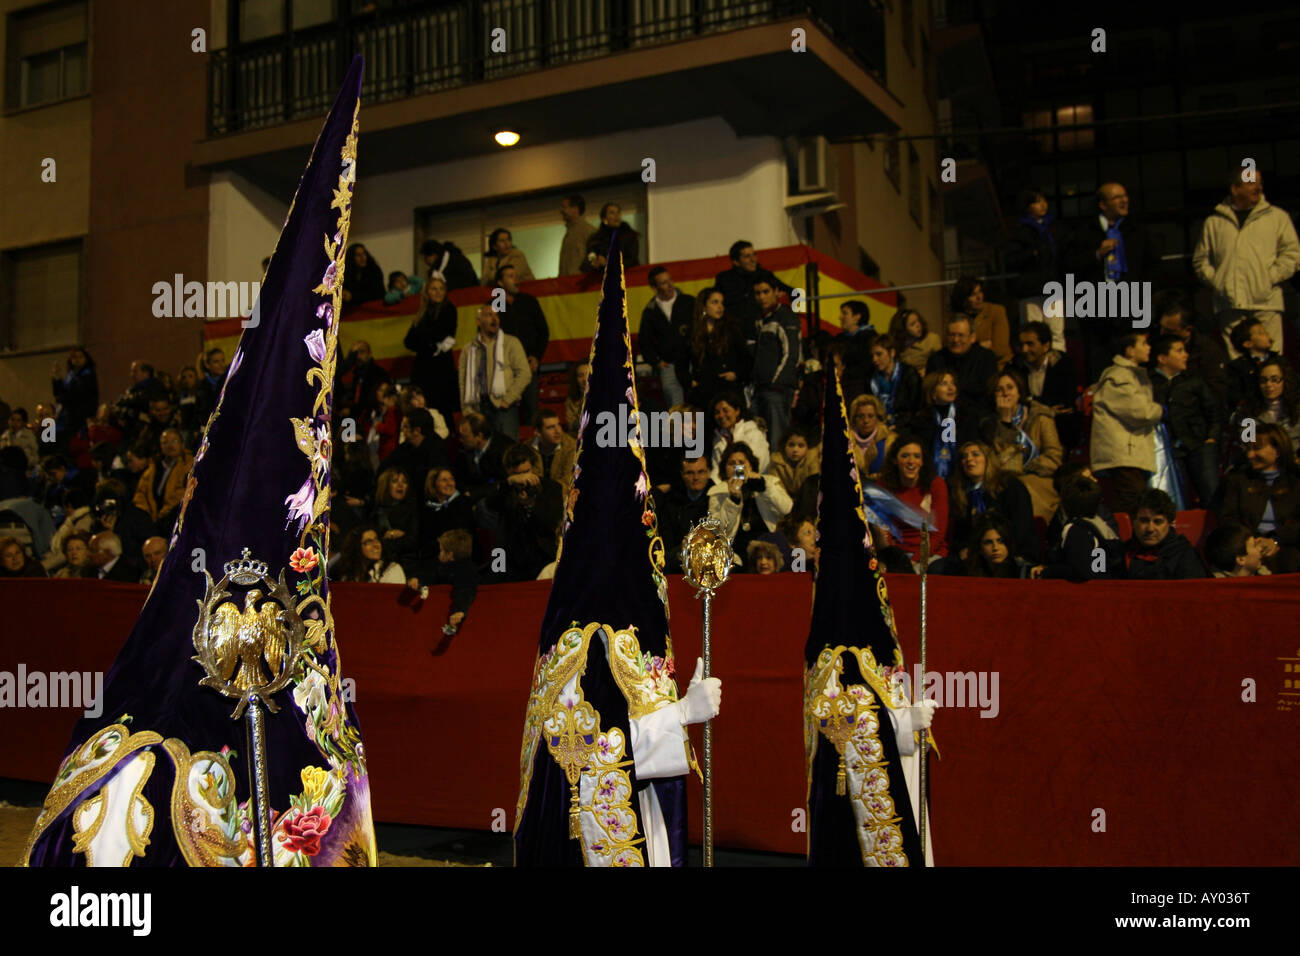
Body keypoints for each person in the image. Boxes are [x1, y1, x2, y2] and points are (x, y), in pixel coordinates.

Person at [1192, 167, 1300, 357]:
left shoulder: (1277, 217)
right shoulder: (1214, 222)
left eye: (1260, 183)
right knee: (1237, 362)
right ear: (1235, 189)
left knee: (1271, 357)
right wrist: (1219, 282)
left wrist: (1270, 278)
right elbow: (1201, 260)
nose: (1257, 188)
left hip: (1266, 301)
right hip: (1229, 302)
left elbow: (1292, 254)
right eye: (1251, 183)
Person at [1066, 181, 1161, 379]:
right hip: (1097, 307)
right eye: (1117, 198)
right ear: (1103, 204)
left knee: (1134, 360)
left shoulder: (1137, 230)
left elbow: (1153, 265)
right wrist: (1097, 254)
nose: (1124, 201)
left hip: (1130, 305)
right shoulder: (1083, 232)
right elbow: (1068, 264)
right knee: (1099, 363)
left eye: (1125, 196)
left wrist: (1142, 292)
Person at [1090, 332, 1163, 516]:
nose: (1149, 348)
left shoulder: (1131, 375)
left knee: (1135, 502)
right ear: (1130, 350)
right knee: (1132, 504)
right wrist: (1160, 410)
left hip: (1130, 453)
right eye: (1144, 344)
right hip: (1123, 454)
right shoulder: (1119, 376)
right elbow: (1140, 412)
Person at [1148, 334, 1223, 507]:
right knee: (1171, 498)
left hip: (1199, 445)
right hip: (1166, 449)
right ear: (1162, 358)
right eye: (1179, 351)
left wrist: (1211, 438)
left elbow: (1214, 411)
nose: (1185, 355)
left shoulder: (1194, 381)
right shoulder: (1148, 383)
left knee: (1211, 494)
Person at [981, 368, 1063, 520]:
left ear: (1019, 391)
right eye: (999, 390)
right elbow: (1001, 461)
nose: (1005, 393)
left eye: (1010, 388)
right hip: (1002, 481)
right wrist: (1005, 421)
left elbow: (1054, 457)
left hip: (1039, 480)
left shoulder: (1040, 417)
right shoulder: (988, 425)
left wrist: (1025, 469)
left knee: (1020, 489)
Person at [1218, 422, 1300, 573]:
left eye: (1257, 449)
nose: (1250, 455)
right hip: (1248, 547)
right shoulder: (1238, 480)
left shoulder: (1296, 480)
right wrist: (1251, 543)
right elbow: (1228, 518)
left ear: (1278, 450)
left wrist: (1276, 540)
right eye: (1248, 449)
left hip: (1289, 546)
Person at [947, 439, 1037, 561]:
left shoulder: (1010, 486)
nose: (969, 459)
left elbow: (1022, 525)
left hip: (1011, 553)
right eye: (964, 456)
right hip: (976, 556)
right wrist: (963, 549)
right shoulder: (962, 494)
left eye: (975, 454)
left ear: (988, 459)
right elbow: (961, 534)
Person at [484, 443, 563, 582]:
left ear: (532, 467)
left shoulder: (552, 488)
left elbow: (552, 523)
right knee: (495, 572)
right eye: (517, 474)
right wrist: (509, 482)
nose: (522, 478)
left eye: (526, 471)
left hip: (542, 549)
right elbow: (490, 503)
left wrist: (531, 505)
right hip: (508, 550)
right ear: (508, 471)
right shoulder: (504, 488)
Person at [707, 441, 792, 568]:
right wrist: (733, 500)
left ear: (750, 465)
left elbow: (787, 508)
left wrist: (763, 487)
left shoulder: (768, 482)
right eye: (731, 464)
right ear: (725, 469)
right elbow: (718, 530)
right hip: (735, 552)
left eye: (741, 463)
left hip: (767, 549)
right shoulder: (717, 492)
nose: (737, 468)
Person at [1030, 473, 1125, 581]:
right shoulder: (1104, 526)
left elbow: (1081, 571)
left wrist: (1048, 571)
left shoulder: (1076, 530)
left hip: (1089, 593)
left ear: (1064, 504)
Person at [457, 304, 531, 440]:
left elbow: (524, 374)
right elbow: (463, 382)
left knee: (508, 449)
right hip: (478, 409)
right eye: (489, 315)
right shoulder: (468, 350)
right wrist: (467, 411)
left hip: (504, 408)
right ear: (478, 321)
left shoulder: (510, 343)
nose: (494, 319)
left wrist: (508, 399)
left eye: (496, 315)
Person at [1006, 186, 1066, 352]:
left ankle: (1057, 367)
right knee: (1032, 333)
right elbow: (1010, 259)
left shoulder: (1053, 229)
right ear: (1027, 206)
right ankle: (1034, 370)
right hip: (1031, 289)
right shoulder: (1021, 231)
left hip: (1052, 286)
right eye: (1037, 202)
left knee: (1056, 333)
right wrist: (1031, 254)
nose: (1043, 205)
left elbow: (1062, 257)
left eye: (1044, 200)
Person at [877, 435, 948, 564]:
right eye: (905, 456)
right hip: (897, 555)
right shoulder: (883, 485)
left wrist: (916, 559)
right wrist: (898, 560)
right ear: (894, 460)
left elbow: (938, 533)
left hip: (931, 554)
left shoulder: (936, 484)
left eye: (917, 456)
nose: (911, 461)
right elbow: (884, 530)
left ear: (922, 462)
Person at [495, 264, 549, 427]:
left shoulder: (528, 301)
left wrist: (536, 357)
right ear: (500, 282)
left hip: (528, 365)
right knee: (506, 411)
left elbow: (543, 332)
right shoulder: (496, 305)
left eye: (516, 276)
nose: (516, 280)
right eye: (510, 276)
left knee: (531, 409)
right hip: (504, 369)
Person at [1012, 320, 1079, 451]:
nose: (1024, 350)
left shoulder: (1063, 365)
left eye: (1030, 344)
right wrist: (1048, 410)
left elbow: (1064, 405)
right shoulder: (1015, 367)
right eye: (1022, 344)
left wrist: (1034, 404)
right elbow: (1018, 404)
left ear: (1046, 346)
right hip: (1027, 431)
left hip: (1060, 431)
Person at [751, 277, 801, 445]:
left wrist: (777, 383)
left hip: (777, 389)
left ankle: (777, 472)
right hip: (759, 389)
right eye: (757, 293)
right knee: (756, 439)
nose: (761, 297)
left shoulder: (786, 317)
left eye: (766, 292)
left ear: (777, 292)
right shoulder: (759, 318)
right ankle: (750, 472)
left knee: (777, 440)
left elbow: (792, 354)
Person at [403, 275, 460, 424]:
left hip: (442, 372)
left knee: (442, 413)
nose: (438, 292)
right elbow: (408, 341)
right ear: (427, 291)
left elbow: (440, 334)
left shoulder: (449, 309)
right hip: (423, 371)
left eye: (441, 289)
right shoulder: (422, 312)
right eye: (434, 288)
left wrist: (423, 339)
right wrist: (428, 342)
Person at [639, 266, 696, 409]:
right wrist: (656, 361)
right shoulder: (650, 311)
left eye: (670, 280)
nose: (670, 285)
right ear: (653, 287)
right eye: (664, 282)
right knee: (676, 406)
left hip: (692, 361)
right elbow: (645, 341)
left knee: (697, 400)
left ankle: (700, 431)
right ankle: (680, 432)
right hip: (669, 365)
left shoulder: (689, 302)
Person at [906, 370, 979, 480]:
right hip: (929, 476)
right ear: (932, 391)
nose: (951, 388)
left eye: (953, 383)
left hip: (961, 475)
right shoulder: (921, 420)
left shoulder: (966, 416)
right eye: (944, 384)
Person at [687, 286, 749, 413]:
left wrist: (736, 374)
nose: (720, 307)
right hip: (703, 390)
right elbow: (681, 360)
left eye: (722, 303)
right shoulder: (693, 332)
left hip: (728, 388)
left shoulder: (731, 329)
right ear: (703, 306)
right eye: (715, 302)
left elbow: (746, 358)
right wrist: (690, 381)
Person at [1155, 293, 1228, 399]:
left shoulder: (1208, 351)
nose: (1162, 333)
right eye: (1161, 328)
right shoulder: (1155, 344)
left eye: (1169, 331)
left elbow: (1216, 391)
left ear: (1188, 330)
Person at [1124, 488, 1207, 580]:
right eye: (1144, 521)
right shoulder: (1119, 554)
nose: (1150, 529)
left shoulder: (1185, 556)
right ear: (1133, 522)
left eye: (1158, 522)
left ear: (1169, 523)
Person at [654, 455, 715, 573]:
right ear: (682, 474)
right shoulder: (671, 501)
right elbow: (666, 538)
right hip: (676, 562)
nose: (696, 477)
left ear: (708, 472)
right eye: (690, 473)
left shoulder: (717, 498)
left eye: (701, 472)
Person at [925, 315, 999, 408]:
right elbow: (930, 393)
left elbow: (989, 392)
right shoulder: (936, 359)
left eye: (961, 335)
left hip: (977, 412)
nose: (955, 340)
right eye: (951, 335)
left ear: (972, 337)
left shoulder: (986, 357)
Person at [713, 240, 792, 326]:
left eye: (754, 254)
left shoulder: (764, 275)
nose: (753, 259)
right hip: (734, 328)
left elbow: (794, 292)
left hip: (762, 326)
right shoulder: (724, 279)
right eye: (747, 256)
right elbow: (714, 302)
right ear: (736, 261)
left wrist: (796, 314)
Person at [1232, 359, 1300, 457]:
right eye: (1263, 381)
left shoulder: (1296, 409)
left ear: (1286, 381)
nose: (1268, 385)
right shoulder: (1247, 412)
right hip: (1260, 463)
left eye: (1275, 380)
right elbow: (1246, 443)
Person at [1226, 318, 1291, 417]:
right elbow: (1235, 396)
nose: (1267, 334)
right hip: (1253, 414)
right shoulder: (1237, 368)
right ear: (1248, 343)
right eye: (1261, 333)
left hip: (1283, 412)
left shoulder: (1280, 362)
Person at [381, 408, 447, 501]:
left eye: (406, 427)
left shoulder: (436, 451)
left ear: (417, 430)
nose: (403, 430)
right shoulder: (406, 447)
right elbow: (385, 466)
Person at [132, 428, 193, 524]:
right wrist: (146, 514)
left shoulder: (189, 465)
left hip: (173, 517)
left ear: (182, 444)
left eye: (174, 441)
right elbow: (140, 494)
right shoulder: (153, 467)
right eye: (165, 443)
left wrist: (162, 515)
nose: (169, 446)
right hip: (150, 518)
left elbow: (181, 493)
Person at [949, 276, 1012, 368]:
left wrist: (967, 347)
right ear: (963, 299)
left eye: (980, 292)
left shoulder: (996, 311)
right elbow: (952, 349)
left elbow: (1000, 349)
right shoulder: (956, 318)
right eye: (973, 295)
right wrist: (980, 346)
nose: (979, 297)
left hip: (996, 366)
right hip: (968, 368)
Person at [708, 390, 769, 483]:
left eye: (725, 410)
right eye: (717, 412)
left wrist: (736, 483)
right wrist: (712, 487)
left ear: (737, 411)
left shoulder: (752, 432)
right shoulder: (718, 437)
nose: (721, 415)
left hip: (752, 485)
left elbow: (756, 465)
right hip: (727, 485)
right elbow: (717, 469)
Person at [416, 467, 476, 558]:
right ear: (433, 484)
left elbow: (459, 534)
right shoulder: (428, 508)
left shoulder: (463, 503)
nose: (449, 483)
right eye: (444, 480)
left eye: (451, 479)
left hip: (460, 555)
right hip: (434, 555)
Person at [453, 411, 509, 503]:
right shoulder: (465, 449)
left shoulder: (503, 450)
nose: (461, 440)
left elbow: (501, 483)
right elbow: (459, 476)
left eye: (465, 437)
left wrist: (473, 494)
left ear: (479, 436)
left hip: (495, 499)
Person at [430, 528, 478, 634]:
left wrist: (460, 610)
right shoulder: (442, 568)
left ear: (450, 555)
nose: (439, 554)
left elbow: (465, 589)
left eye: (441, 550)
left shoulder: (465, 571)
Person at [869, 332, 923, 427]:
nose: (874, 359)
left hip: (906, 426)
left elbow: (915, 409)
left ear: (892, 353)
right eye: (872, 356)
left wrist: (898, 425)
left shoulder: (909, 374)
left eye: (879, 354)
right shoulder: (871, 379)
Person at [334, 340, 392, 425]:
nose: (358, 356)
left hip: (369, 419)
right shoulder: (358, 372)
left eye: (362, 352)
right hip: (356, 417)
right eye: (355, 353)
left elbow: (370, 399)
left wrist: (352, 410)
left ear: (370, 354)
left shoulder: (377, 373)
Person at [959, 513, 1033, 578]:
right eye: (988, 542)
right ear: (979, 547)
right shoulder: (967, 570)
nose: (995, 548)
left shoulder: (1022, 570)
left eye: (1001, 541)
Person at [370, 466, 420, 563]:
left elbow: (413, 541)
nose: (400, 485)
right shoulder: (375, 510)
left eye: (404, 482)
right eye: (395, 481)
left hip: (405, 560)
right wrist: (393, 535)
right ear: (385, 485)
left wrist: (387, 537)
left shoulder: (412, 509)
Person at [51, 347, 99, 444]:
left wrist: (63, 398)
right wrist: (57, 378)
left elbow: (75, 396)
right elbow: (59, 394)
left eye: (80, 357)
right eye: (74, 357)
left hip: (80, 418)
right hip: (67, 417)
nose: (77, 360)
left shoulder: (88, 375)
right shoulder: (71, 375)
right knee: (50, 436)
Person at [767, 424, 821, 503]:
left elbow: (813, 489)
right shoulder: (777, 461)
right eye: (791, 445)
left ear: (807, 447)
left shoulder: (812, 460)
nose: (795, 450)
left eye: (801, 446)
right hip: (784, 503)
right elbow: (776, 488)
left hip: (807, 503)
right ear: (784, 446)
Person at [530, 409, 577, 499]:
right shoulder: (528, 448)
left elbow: (569, 482)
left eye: (558, 425)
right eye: (550, 427)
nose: (558, 431)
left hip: (562, 498)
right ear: (538, 432)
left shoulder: (572, 447)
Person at [334, 525, 406, 583]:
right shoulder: (348, 575)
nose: (376, 545)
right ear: (357, 547)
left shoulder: (391, 570)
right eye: (369, 542)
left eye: (377, 539)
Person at [847, 393, 895, 482]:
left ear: (878, 417)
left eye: (871, 416)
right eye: (861, 416)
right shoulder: (845, 441)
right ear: (854, 418)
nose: (866, 421)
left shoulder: (890, 441)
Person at [836, 300, 877, 400]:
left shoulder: (870, 339)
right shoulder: (839, 339)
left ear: (857, 316)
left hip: (862, 390)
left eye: (845, 313)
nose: (840, 317)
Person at [583, 202, 640, 271]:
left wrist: (610, 263)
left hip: (626, 276)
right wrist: (595, 263)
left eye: (618, 212)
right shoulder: (595, 239)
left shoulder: (629, 235)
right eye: (612, 213)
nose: (617, 216)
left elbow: (632, 260)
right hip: (600, 278)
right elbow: (588, 259)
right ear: (604, 218)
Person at [1205, 522, 1271, 578]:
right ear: (1241, 559)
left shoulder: (1264, 576)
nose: (1260, 549)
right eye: (1254, 546)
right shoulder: (1217, 588)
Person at [890, 308, 941, 374]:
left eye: (918, 321)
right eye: (913, 324)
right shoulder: (897, 345)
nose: (918, 325)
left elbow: (940, 365)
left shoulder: (932, 339)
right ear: (903, 329)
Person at [557, 194, 597, 276]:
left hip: (580, 285)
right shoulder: (569, 234)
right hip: (570, 285)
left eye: (564, 207)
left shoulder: (588, 231)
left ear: (575, 209)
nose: (561, 211)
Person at [564, 361, 590, 437]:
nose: (585, 379)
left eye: (588, 373)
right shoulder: (571, 400)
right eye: (580, 375)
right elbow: (571, 426)